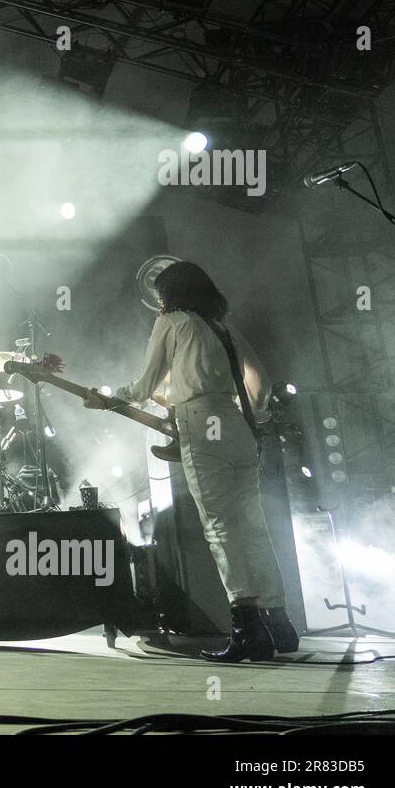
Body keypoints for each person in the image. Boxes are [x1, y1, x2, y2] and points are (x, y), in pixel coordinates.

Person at [85, 261, 297, 662]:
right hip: (236, 425)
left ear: (170, 294)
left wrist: (111, 396)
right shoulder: (222, 327)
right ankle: (280, 625)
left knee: (220, 526)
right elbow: (261, 383)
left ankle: (247, 628)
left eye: (161, 294)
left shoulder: (172, 321)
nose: (159, 302)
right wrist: (251, 415)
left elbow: (146, 384)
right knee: (253, 526)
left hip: (200, 423)